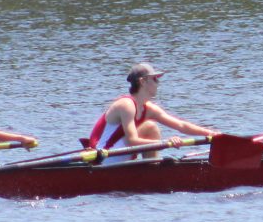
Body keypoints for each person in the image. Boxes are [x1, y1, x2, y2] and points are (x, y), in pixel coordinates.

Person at [86, 63, 218, 159]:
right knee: (151, 126)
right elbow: (132, 140)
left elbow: (181, 125)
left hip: (120, 153)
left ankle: (152, 168)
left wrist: (212, 134)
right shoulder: (126, 105)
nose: (158, 83)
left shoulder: (148, 108)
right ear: (143, 82)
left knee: (150, 127)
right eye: (154, 79)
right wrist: (166, 143)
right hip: (102, 156)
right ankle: (152, 171)